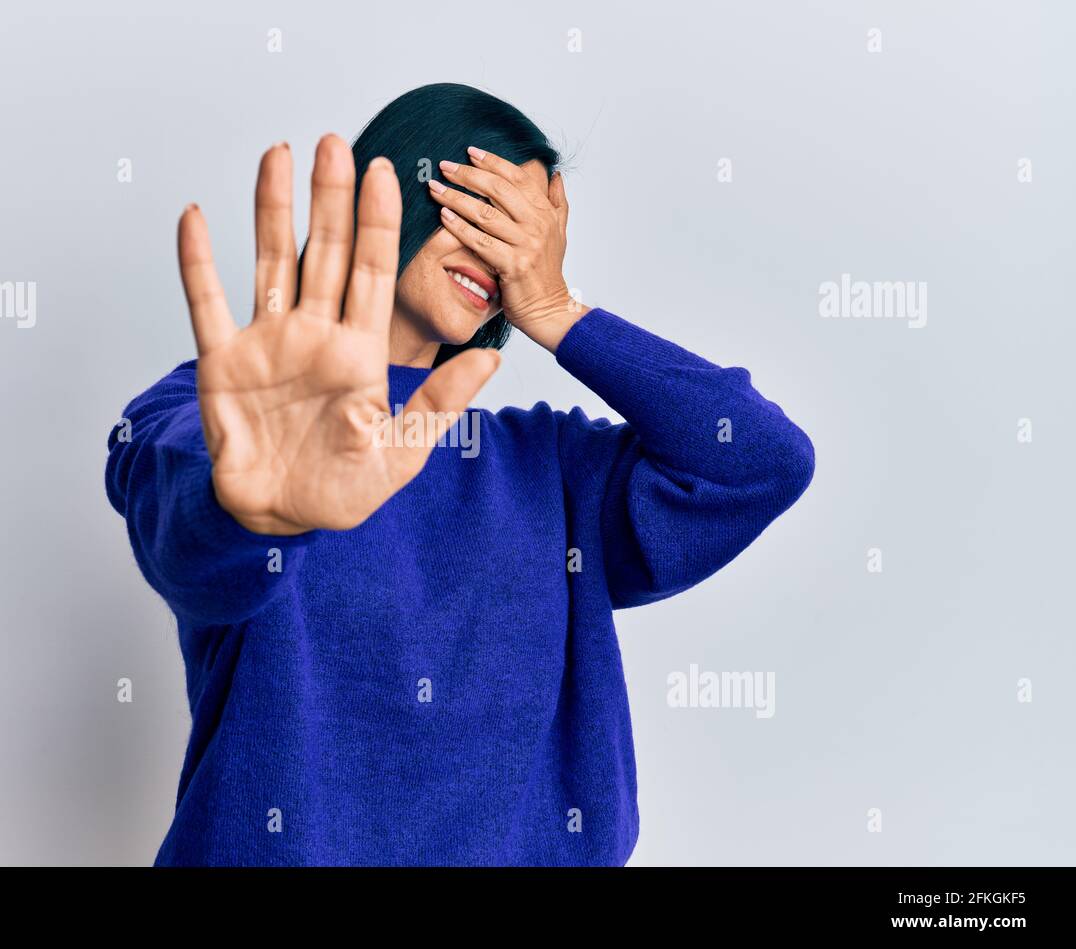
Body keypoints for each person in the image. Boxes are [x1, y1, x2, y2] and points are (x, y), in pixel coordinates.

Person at [105, 83, 814, 865]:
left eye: (521, 234)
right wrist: (251, 512)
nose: (495, 251)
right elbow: (183, 525)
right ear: (403, 184)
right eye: (476, 208)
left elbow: (761, 459)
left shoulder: (553, 472)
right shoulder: (226, 412)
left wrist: (557, 309)